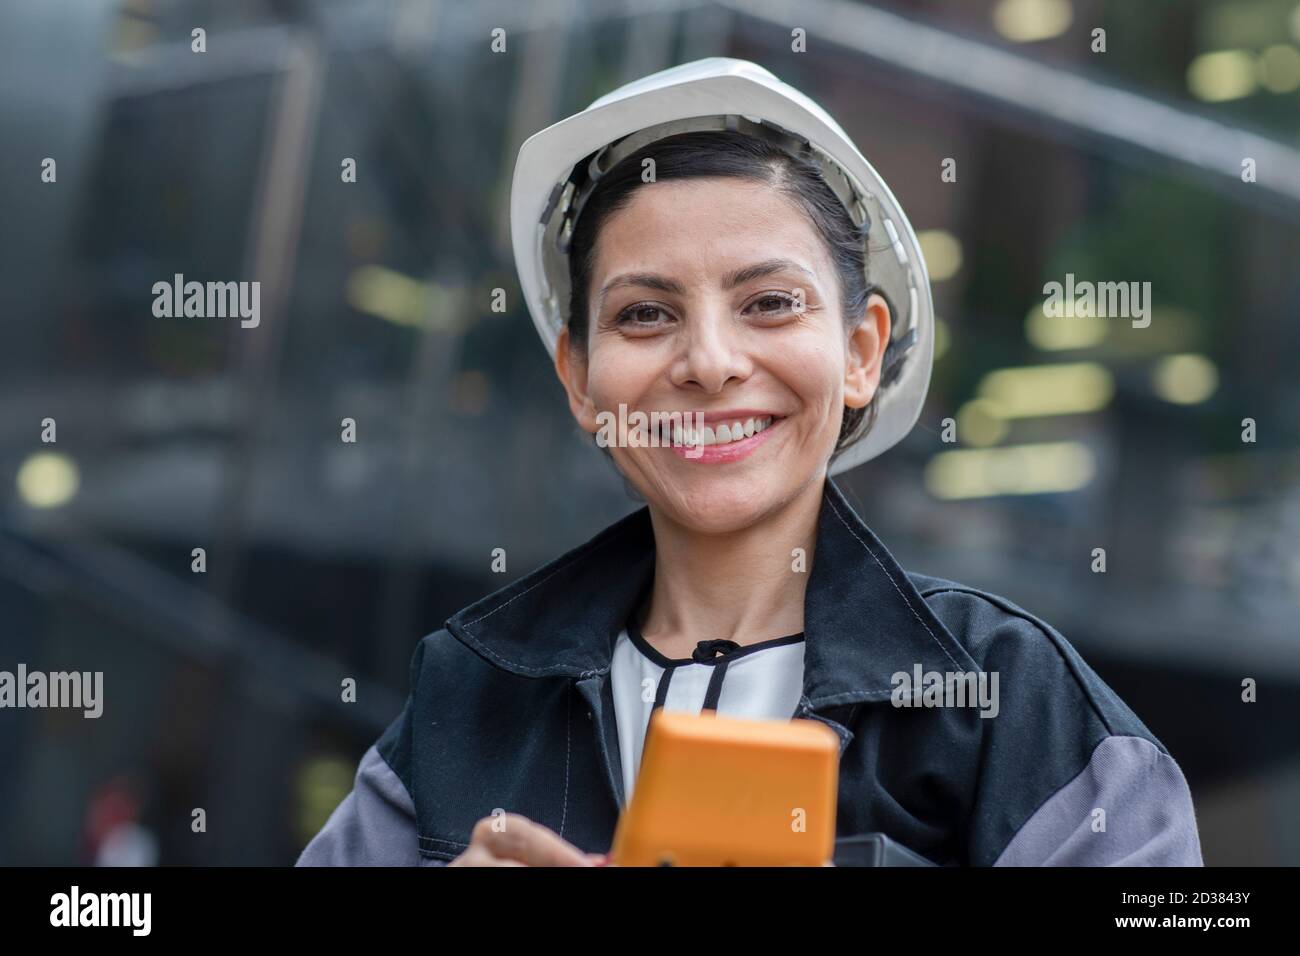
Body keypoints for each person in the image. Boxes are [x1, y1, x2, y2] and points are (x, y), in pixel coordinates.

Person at [297, 59, 1202, 867]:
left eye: (769, 302)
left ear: (859, 353)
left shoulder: (1015, 708)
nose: (711, 361)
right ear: (578, 378)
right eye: (645, 315)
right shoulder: (467, 698)